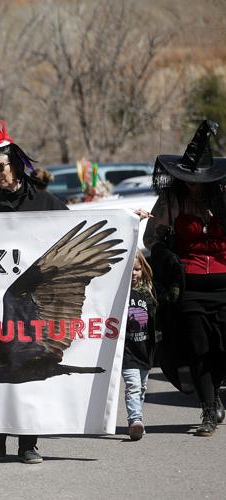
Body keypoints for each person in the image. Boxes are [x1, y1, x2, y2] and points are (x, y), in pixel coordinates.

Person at [0, 121, 67, 464]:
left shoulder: (45, 202)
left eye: (0, 168)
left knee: (30, 370)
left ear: (15, 165)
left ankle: (28, 443)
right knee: (1, 370)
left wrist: (127, 217)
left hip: (35, 306)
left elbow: (76, 229)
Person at [143, 119, 226, 436]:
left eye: (198, 180)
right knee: (197, 344)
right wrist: (166, 253)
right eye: (188, 180)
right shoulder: (172, 201)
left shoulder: (224, 199)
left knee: (221, 347)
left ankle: (214, 388)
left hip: (224, 284)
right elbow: (150, 238)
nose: (193, 185)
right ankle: (208, 407)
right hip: (189, 285)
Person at [122, 251, 157, 441]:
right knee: (133, 386)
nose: (134, 273)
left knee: (142, 387)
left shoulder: (148, 293)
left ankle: (137, 420)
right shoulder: (120, 294)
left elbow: (154, 321)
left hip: (144, 350)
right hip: (127, 351)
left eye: (137, 269)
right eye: (130, 270)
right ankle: (135, 419)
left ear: (143, 269)